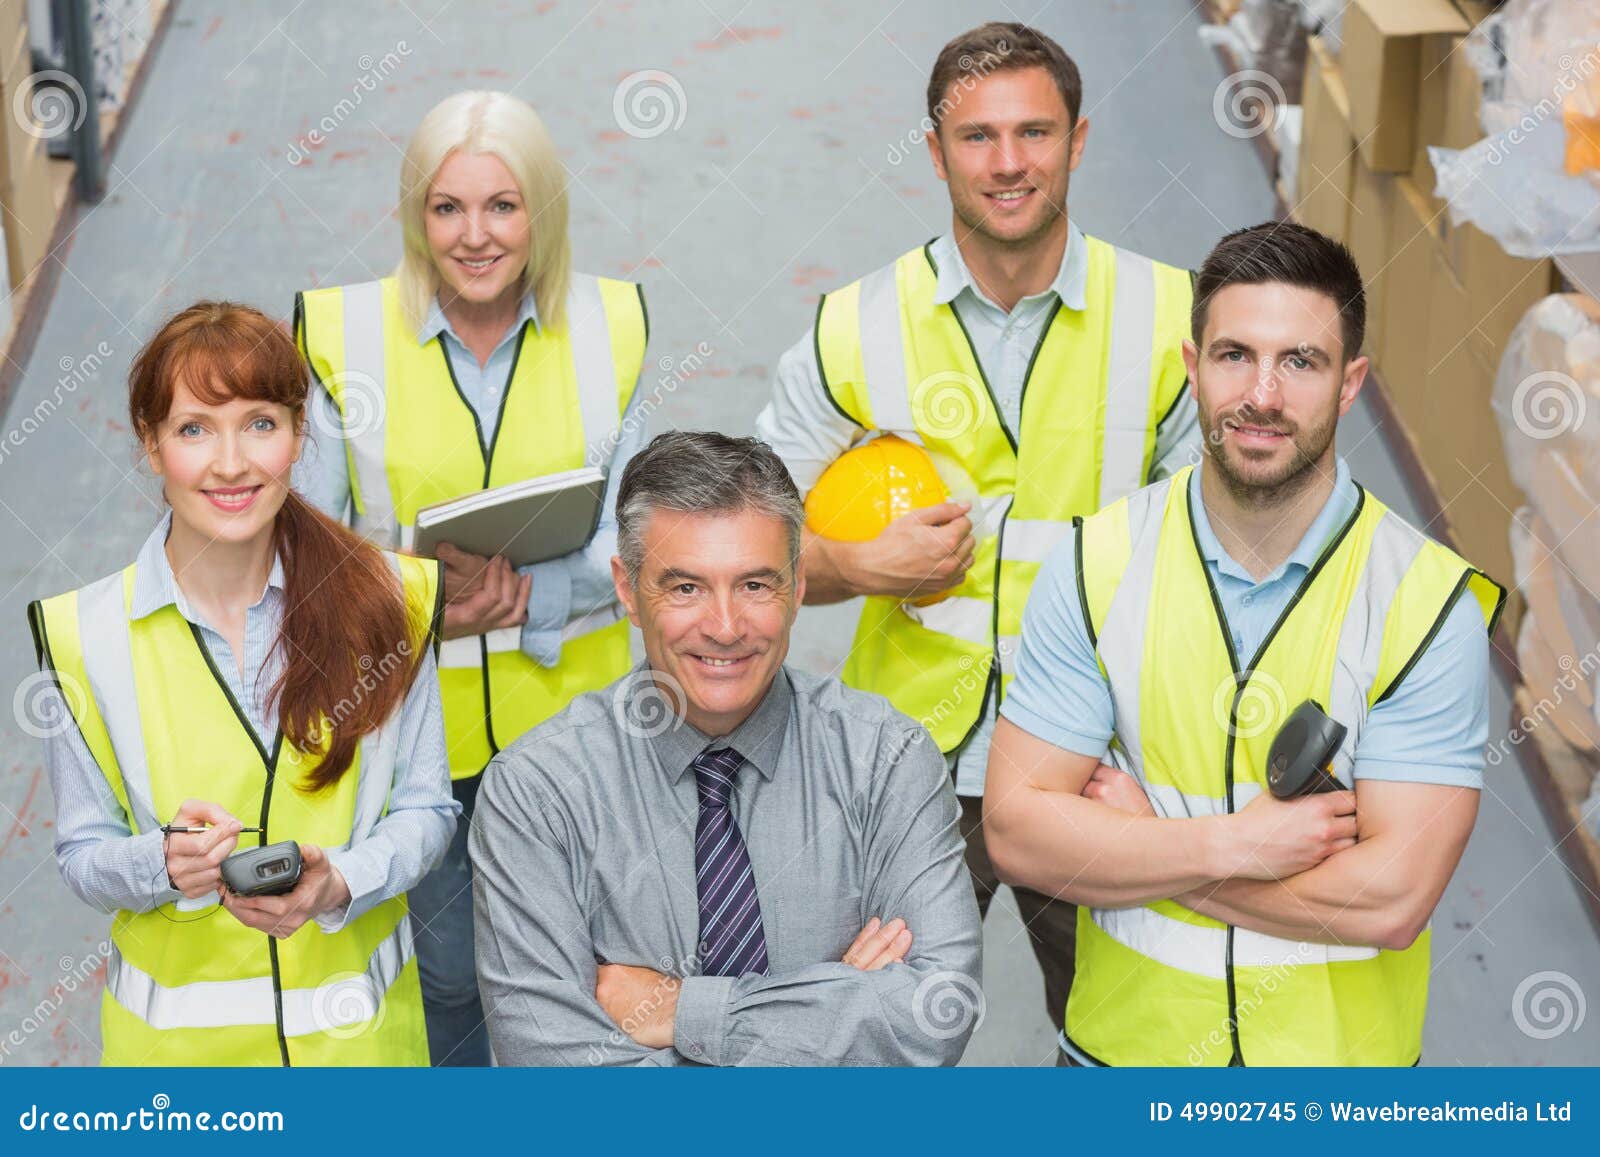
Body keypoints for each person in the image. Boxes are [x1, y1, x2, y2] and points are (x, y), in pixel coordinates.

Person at [754, 21, 1199, 1031]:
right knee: (881, 1033)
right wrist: (854, 562)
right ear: (934, 151)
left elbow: (1220, 555)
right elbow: (751, 550)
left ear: (1077, 140)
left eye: (1033, 132)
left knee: (1120, 1032)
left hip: (1097, 760)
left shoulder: (1168, 317)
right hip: (908, 764)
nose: (1007, 163)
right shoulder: (854, 326)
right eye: (977, 136)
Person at [983, 222, 1506, 1066]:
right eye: (1235, 355)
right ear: (1193, 368)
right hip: (1122, 1063)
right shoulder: (1095, 563)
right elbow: (1018, 832)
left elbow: (1392, 900)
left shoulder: (1425, 602)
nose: (1262, 394)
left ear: (1349, 383)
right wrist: (1234, 845)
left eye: (1300, 361)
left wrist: (1154, 848)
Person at [293, 90, 649, 1065]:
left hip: (572, 733)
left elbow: (640, 536)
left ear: (542, 211)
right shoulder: (342, 335)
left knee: (579, 972)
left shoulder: (611, 325)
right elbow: (306, 552)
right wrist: (422, 609)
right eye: (447, 207)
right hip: (415, 731)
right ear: (416, 214)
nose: (475, 235)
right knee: (450, 976)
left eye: (503, 205)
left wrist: (533, 598)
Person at [27, 303, 456, 1065]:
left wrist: (340, 880)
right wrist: (160, 862)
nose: (231, 464)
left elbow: (426, 807)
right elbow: (83, 852)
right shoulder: (82, 635)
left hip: (362, 1062)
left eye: (259, 423)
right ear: (151, 444)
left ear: (297, 433)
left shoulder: (393, 597)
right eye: (194, 428)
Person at [470, 432, 983, 1066]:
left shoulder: (886, 759)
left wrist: (681, 1011)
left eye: (755, 585)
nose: (725, 627)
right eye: (685, 587)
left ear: (798, 586)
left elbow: (937, 1014)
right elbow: (550, 1070)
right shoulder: (535, 793)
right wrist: (834, 1009)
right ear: (627, 591)